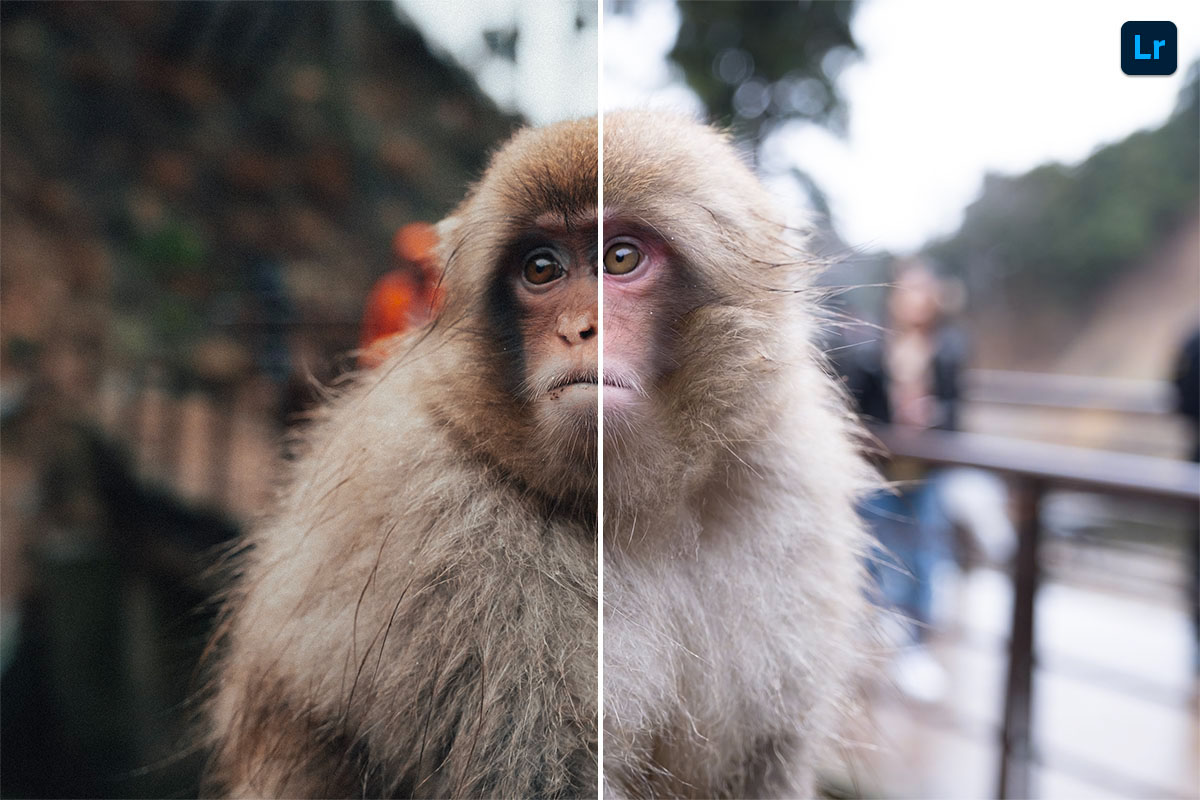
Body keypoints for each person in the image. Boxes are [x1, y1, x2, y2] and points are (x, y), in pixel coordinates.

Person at [358, 222, 443, 368]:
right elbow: (368, 353)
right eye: (413, 263)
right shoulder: (389, 292)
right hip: (396, 372)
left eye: (425, 262)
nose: (420, 269)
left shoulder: (445, 293)